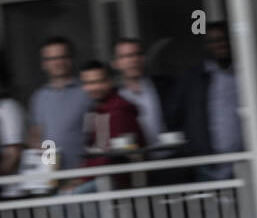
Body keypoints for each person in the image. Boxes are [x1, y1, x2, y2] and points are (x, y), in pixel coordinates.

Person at [167, 21, 242, 181]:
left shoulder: (245, 71)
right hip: (208, 163)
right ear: (206, 46)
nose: (221, 44)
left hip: (245, 160)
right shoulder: (193, 78)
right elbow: (175, 115)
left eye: (224, 39)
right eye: (214, 41)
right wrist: (195, 146)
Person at [78, 60, 144, 188]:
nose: (94, 87)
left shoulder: (121, 111)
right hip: (98, 180)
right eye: (88, 83)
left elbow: (111, 158)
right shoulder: (92, 113)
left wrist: (82, 179)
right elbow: (91, 150)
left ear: (110, 81)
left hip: (118, 183)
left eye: (99, 81)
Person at [28, 36, 90, 170]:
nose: (58, 62)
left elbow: (97, 137)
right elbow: (36, 138)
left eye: (62, 57)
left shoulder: (87, 92)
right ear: (43, 64)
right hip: (50, 176)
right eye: (51, 59)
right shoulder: (39, 97)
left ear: (71, 59)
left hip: (82, 174)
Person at [111, 38, 164, 147]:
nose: (133, 60)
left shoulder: (165, 85)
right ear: (116, 63)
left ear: (144, 58)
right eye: (126, 56)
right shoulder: (112, 97)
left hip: (170, 156)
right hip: (135, 161)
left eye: (137, 54)